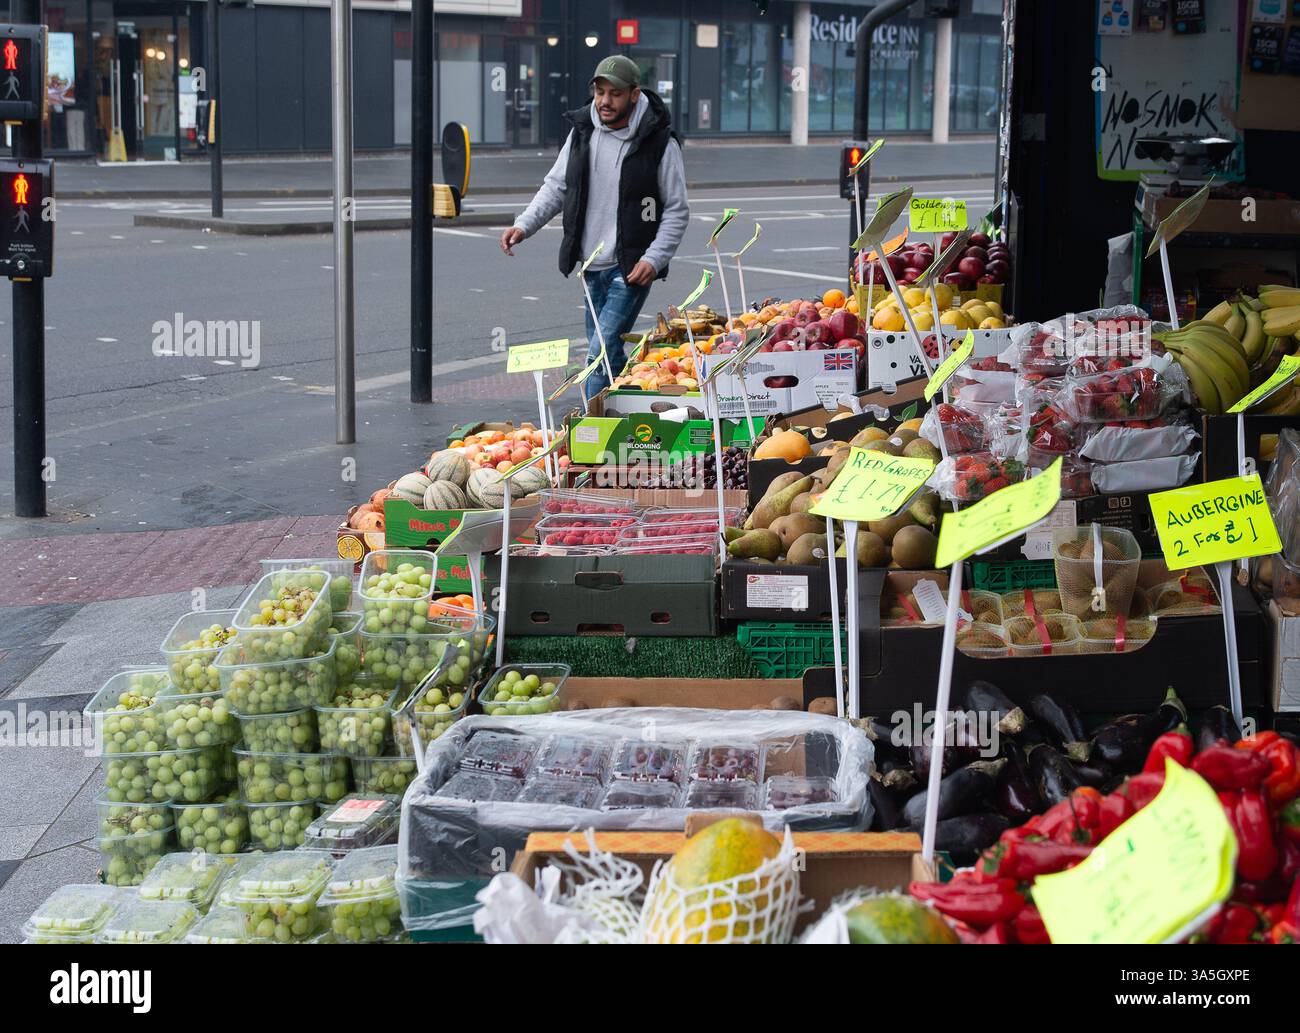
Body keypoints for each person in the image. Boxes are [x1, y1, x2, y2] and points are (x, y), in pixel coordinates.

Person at [501, 54, 689, 401]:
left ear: (634, 94)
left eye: (614, 93)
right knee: (609, 355)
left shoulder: (660, 143)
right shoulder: (582, 133)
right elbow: (556, 187)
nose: (604, 101)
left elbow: (676, 210)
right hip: (590, 269)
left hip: (629, 270)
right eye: (599, 91)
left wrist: (654, 259)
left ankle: (589, 434)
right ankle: (620, 422)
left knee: (596, 357)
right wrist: (524, 225)